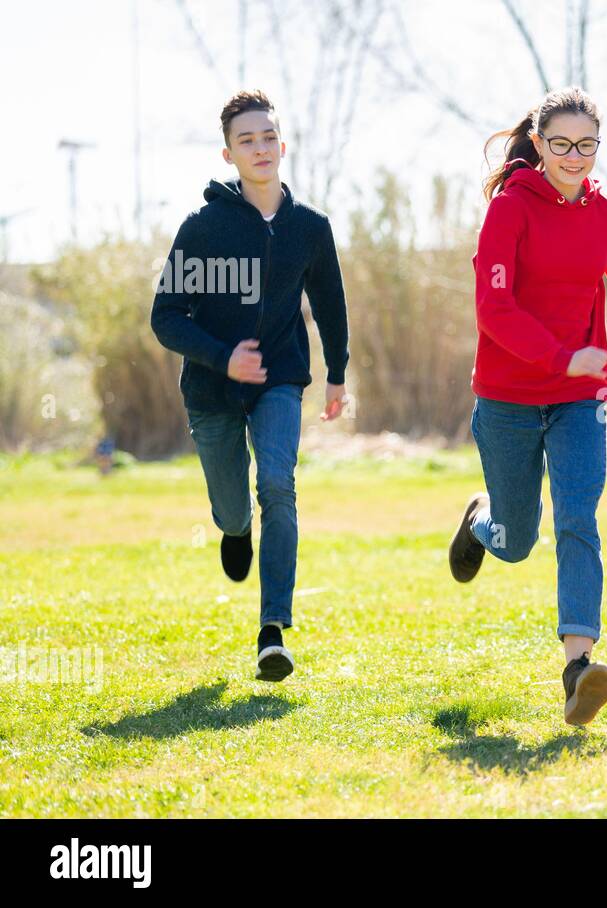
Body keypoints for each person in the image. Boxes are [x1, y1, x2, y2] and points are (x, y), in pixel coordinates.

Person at [448, 86, 607, 725]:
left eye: (586, 145)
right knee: (518, 540)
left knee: (578, 518)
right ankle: (480, 523)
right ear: (540, 145)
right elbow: (493, 310)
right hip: (508, 399)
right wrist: (559, 355)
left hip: (580, 400)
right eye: (561, 145)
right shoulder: (508, 211)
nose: (574, 157)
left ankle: (579, 669)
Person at [151, 89, 350, 681]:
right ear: (228, 155)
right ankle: (233, 530)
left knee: (278, 485)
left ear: (282, 146)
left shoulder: (310, 228)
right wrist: (221, 356)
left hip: (280, 380)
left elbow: (331, 305)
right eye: (247, 140)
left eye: (268, 138)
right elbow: (165, 316)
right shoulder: (204, 228)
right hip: (212, 390)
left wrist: (336, 374)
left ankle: (273, 631)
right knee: (233, 507)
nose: (260, 148)